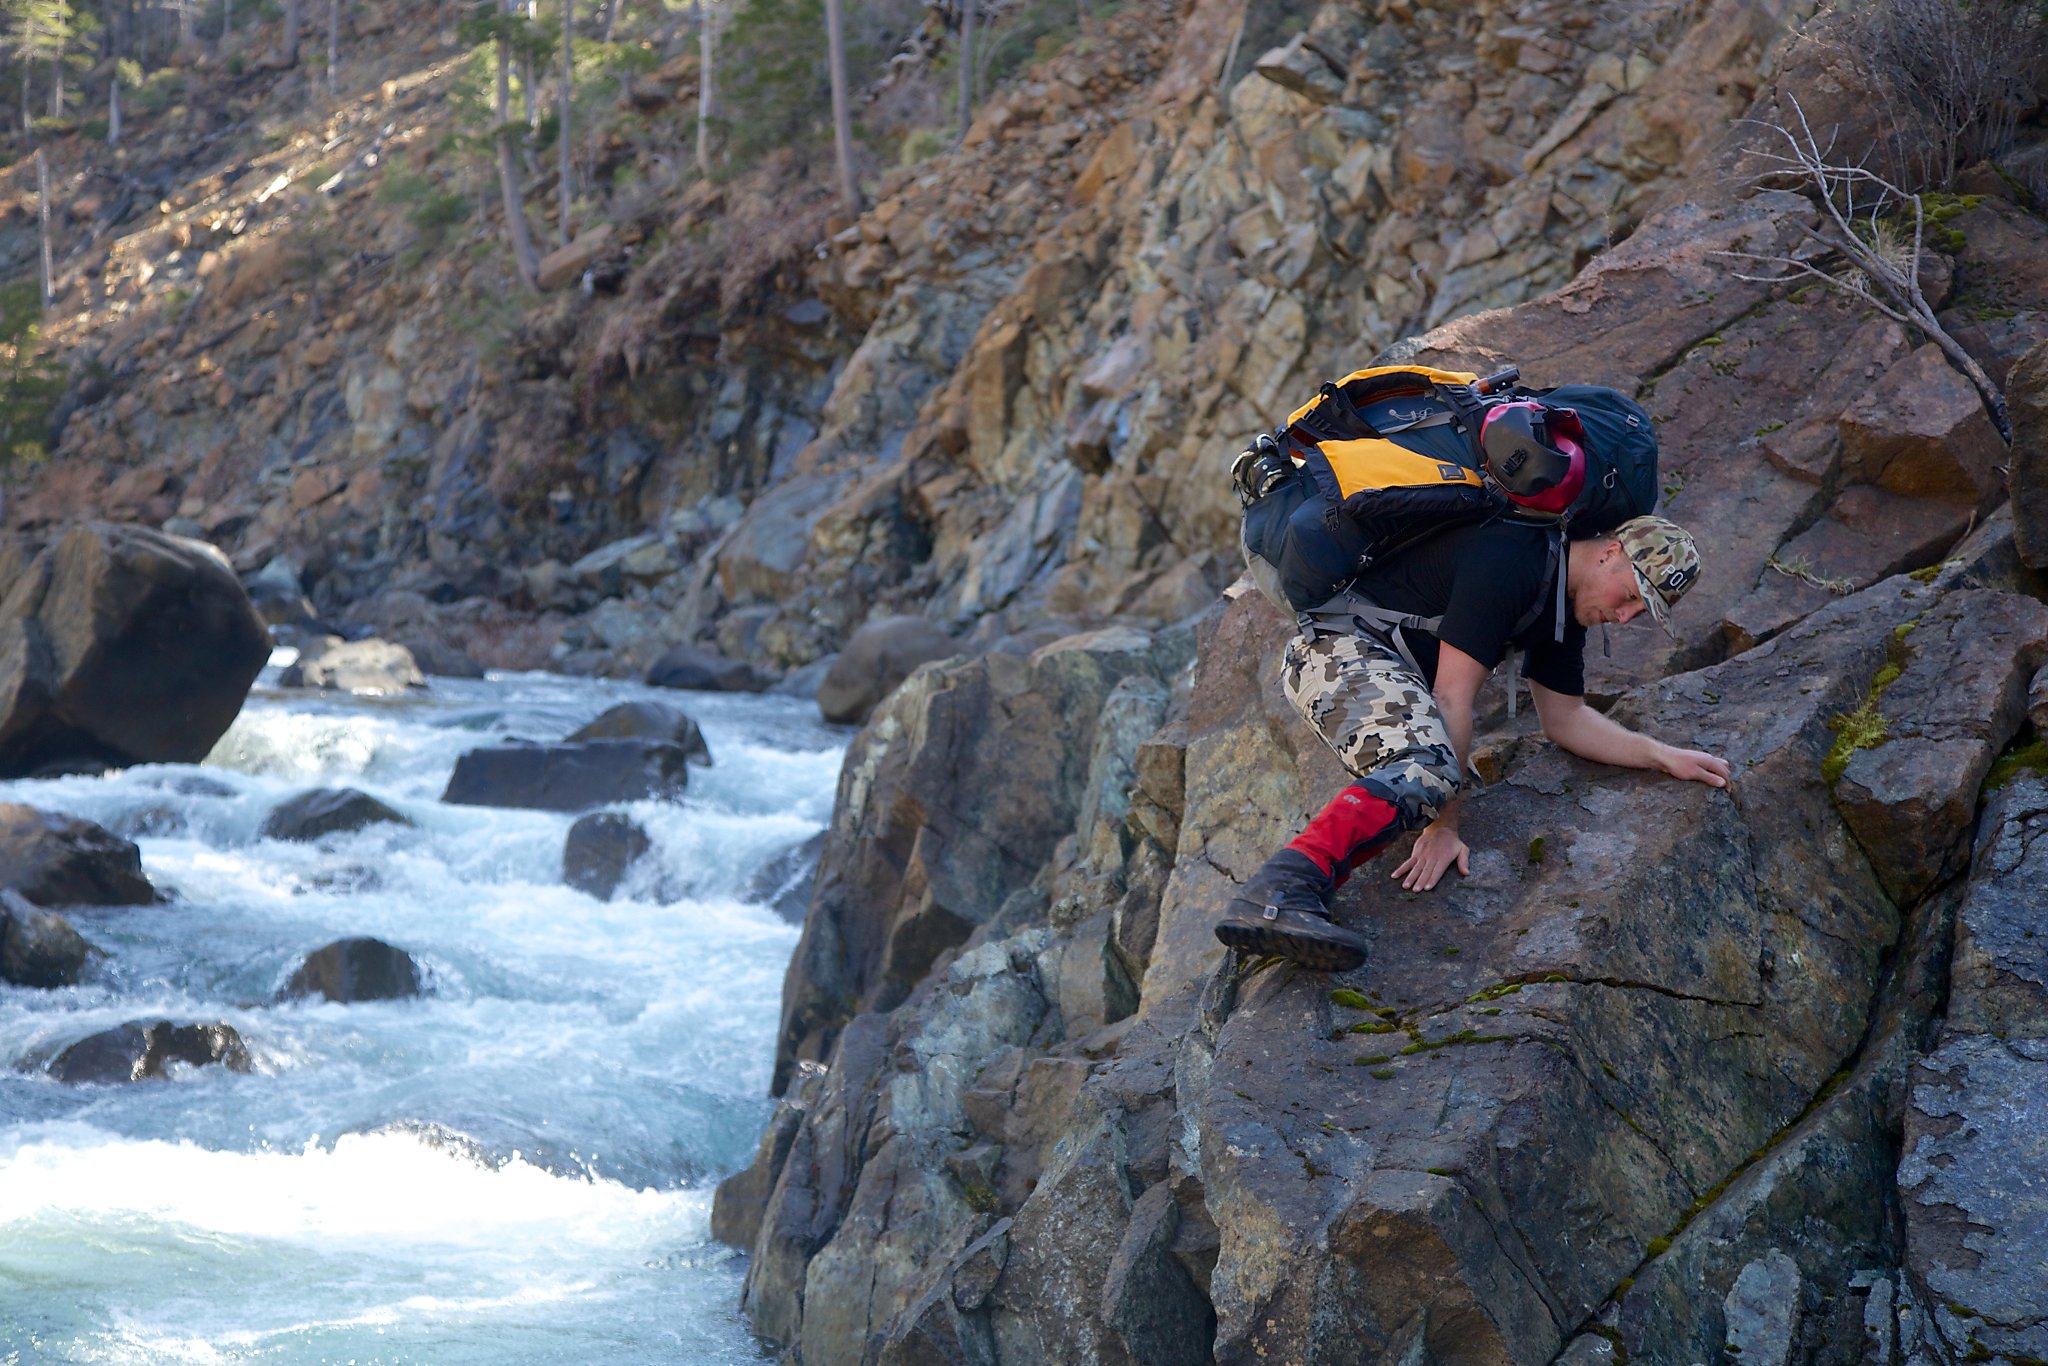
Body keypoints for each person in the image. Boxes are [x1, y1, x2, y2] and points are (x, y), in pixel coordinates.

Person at [1213, 514, 1733, 971]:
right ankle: (1278, 890)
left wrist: (1660, 756)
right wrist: (1444, 824)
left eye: (1639, 614)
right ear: (1610, 553)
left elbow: (1566, 719)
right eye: (1631, 598)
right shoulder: (1514, 557)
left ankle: (1307, 897)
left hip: (1377, 668)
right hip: (1334, 653)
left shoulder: (1558, 609)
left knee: (1435, 771)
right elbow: (1450, 699)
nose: (1624, 617)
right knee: (1431, 770)